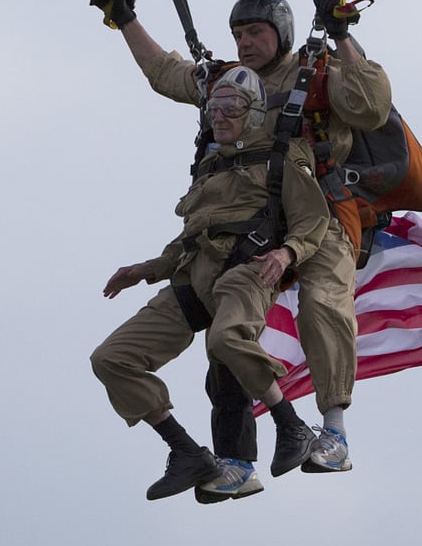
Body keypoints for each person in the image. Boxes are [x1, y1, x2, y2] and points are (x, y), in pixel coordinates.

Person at [90, 0, 392, 496]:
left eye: (255, 31)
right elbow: (164, 72)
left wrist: (342, 37)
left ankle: (334, 433)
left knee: (323, 304)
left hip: (314, 212)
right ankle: (236, 458)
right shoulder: (227, 84)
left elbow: (372, 108)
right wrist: (126, 20)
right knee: (224, 336)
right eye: (238, 33)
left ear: (281, 32)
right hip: (244, 220)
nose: (245, 42)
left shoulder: (319, 72)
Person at [90, 67, 329, 501]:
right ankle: (185, 452)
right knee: (111, 358)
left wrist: (287, 253)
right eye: (214, 107)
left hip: (248, 271)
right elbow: (194, 232)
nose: (220, 116)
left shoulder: (281, 156)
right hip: (193, 275)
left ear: (254, 112)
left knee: (225, 340)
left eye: (232, 107)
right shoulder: (211, 163)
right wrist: (147, 269)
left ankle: (291, 427)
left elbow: (313, 220)